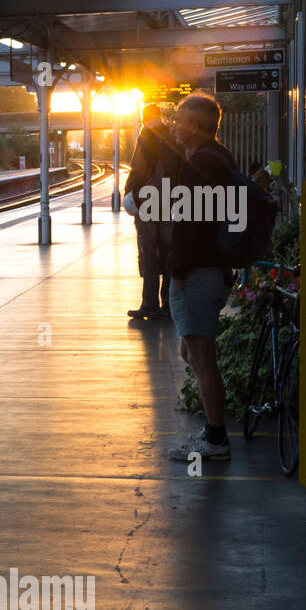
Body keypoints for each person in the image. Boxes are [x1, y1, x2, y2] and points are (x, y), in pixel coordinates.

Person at [163, 93, 239, 463]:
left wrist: (177, 272)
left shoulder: (200, 167)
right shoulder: (220, 158)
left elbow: (190, 226)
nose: (175, 126)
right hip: (211, 270)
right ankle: (213, 431)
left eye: (179, 119)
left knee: (202, 359)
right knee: (191, 351)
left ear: (195, 126)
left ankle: (216, 439)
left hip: (196, 274)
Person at [123, 105, 173, 321]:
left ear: (144, 118)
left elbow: (138, 169)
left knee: (149, 254)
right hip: (172, 204)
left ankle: (150, 304)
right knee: (169, 254)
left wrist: (128, 192)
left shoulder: (146, 136)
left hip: (148, 204)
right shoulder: (172, 135)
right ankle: (169, 305)